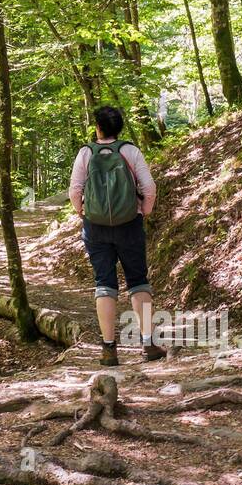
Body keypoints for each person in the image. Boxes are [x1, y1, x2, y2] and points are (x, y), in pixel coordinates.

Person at [68, 105, 165, 366]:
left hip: (95, 227)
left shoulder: (86, 153)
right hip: (129, 224)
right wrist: (143, 211)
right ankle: (147, 344)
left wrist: (82, 212)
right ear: (119, 127)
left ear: (97, 128)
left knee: (104, 283)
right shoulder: (130, 151)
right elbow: (149, 187)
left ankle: (109, 349)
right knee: (138, 281)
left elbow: (75, 190)